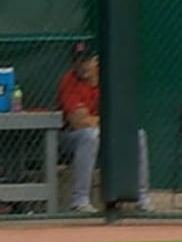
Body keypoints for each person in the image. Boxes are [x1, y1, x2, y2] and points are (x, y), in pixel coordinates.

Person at [56, 42, 151, 213]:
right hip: (69, 138)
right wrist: (106, 121)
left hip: (105, 134)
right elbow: (78, 123)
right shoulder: (69, 81)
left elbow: (122, 118)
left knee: (138, 135)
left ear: (95, 61)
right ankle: (80, 200)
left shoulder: (109, 78)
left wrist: (98, 121)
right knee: (90, 136)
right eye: (77, 61)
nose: (81, 66)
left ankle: (142, 197)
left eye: (85, 61)